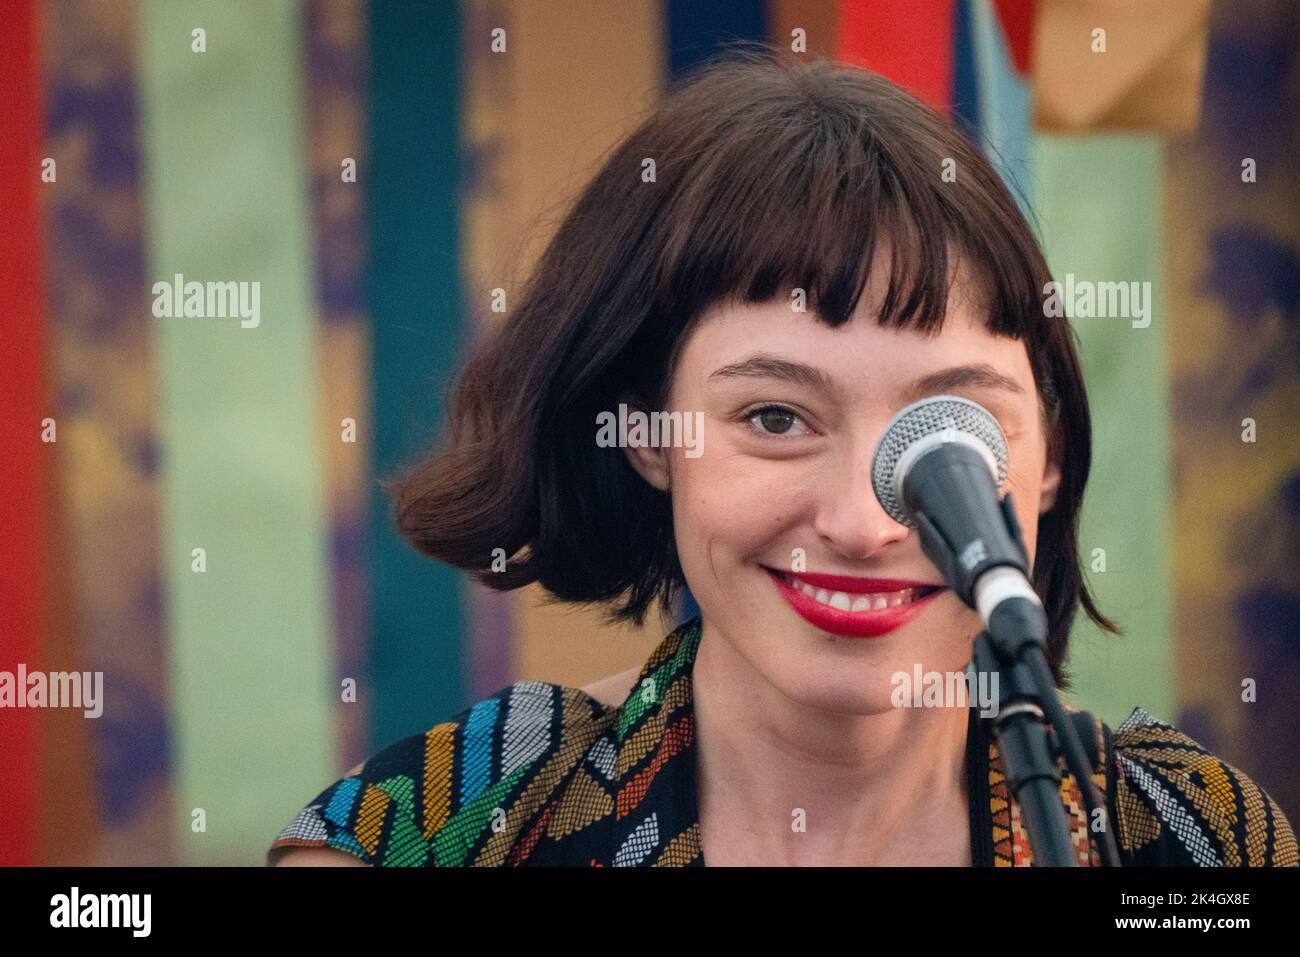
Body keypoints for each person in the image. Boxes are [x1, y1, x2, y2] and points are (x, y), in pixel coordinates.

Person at [268, 50, 1297, 867]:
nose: (863, 524)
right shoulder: (441, 829)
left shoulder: (1193, 844)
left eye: (946, 431)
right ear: (648, 437)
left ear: (1051, 456)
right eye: (773, 416)